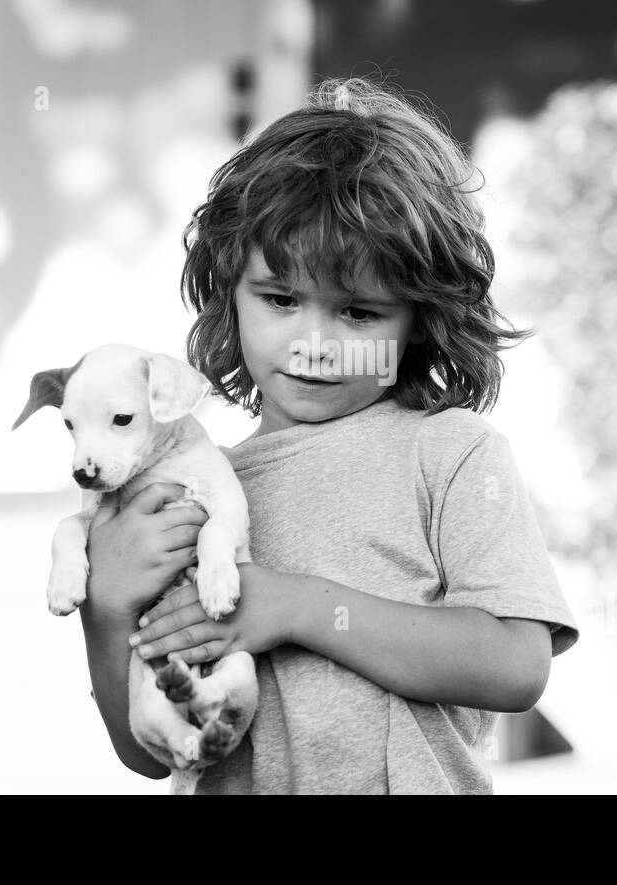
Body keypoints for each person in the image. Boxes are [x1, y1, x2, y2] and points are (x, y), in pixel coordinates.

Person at [79, 76, 580, 794]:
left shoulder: (449, 454)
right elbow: (149, 753)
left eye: (359, 312)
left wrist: (297, 607)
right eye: (281, 299)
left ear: (420, 318)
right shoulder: (191, 491)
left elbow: (516, 664)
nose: (314, 343)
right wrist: (107, 608)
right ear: (229, 294)